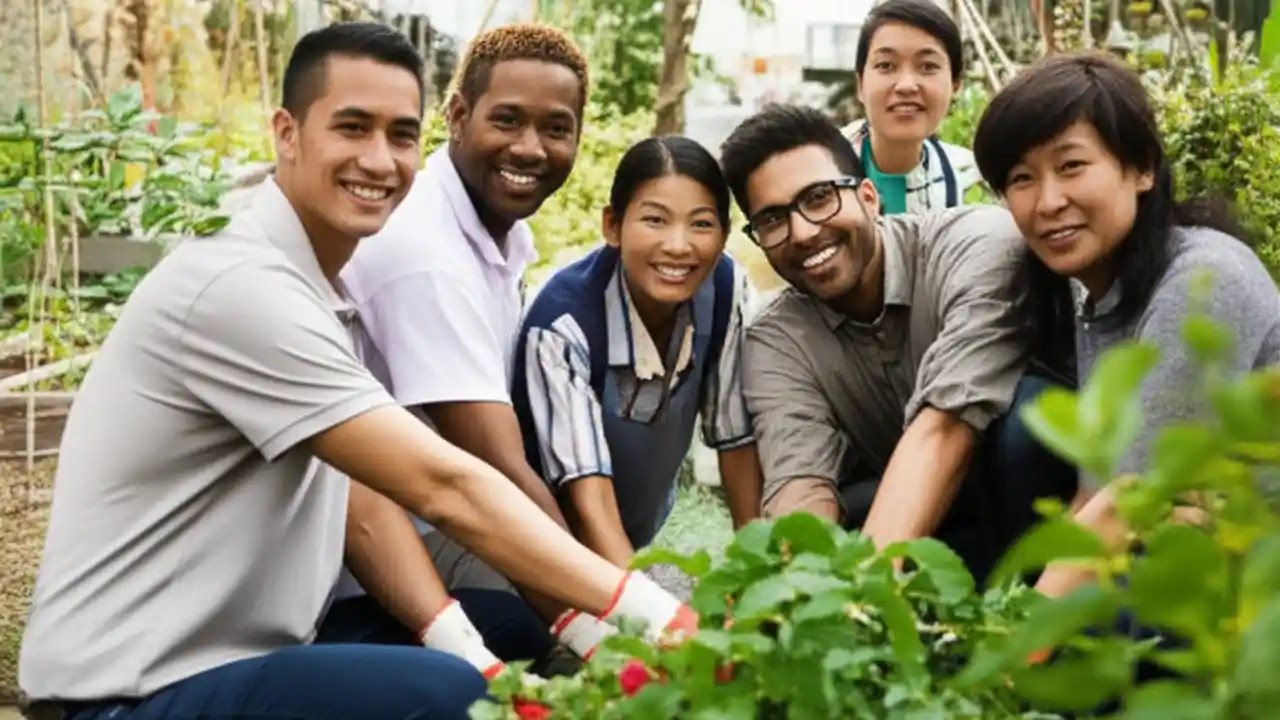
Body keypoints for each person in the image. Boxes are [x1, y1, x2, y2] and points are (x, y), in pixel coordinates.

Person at [19, 22, 694, 720]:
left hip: (257, 648)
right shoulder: (241, 289)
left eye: (401, 136)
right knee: (451, 697)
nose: (380, 160)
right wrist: (666, 626)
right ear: (287, 132)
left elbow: (363, 506)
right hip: (129, 692)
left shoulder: (319, 287)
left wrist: (479, 653)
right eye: (352, 128)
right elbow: (446, 483)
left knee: (501, 630)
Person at [332, 23, 624, 664]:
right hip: (369, 556)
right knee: (546, 639)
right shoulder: (424, 252)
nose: (530, 148)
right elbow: (494, 466)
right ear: (457, 115)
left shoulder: (495, 234)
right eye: (508, 120)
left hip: (431, 517)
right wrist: (613, 625)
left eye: (556, 127)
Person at [720, 103, 1077, 583]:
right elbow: (801, 486)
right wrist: (798, 592)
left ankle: (1045, 613)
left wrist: (863, 591)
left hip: (1034, 505)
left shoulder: (975, 245)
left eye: (820, 198)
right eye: (772, 221)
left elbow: (949, 422)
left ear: (869, 196)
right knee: (843, 513)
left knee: (1031, 420)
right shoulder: (775, 339)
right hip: (924, 525)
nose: (802, 232)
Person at [970, 51, 1280, 600]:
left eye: (1071, 166)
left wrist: (1013, 654)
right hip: (1181, 529)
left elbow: (1127, 499)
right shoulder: (1089, 287)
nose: (1048, 202)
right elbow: (1100, 485)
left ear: (1142, 168)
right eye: (1021, 178)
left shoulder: (1205, 281)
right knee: (1026, 414)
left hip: (1253, 568)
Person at [510, 135, 762, 570]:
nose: (678, 246)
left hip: (635, 528)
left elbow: (735, 440)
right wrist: (646, 611)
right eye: (655, 220)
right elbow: (586, 492)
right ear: (613, 225)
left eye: (701, 224)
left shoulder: (724, 290)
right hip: (543, 548)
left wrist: (758, 574)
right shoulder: (562, 324)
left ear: (724, 234)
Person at [842, 0, 979, 214]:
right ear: (860, 84)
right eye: (886, 65)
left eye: (928, 66)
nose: (906, 85)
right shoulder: (819, 173)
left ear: (955, 84)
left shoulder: (973, 182)